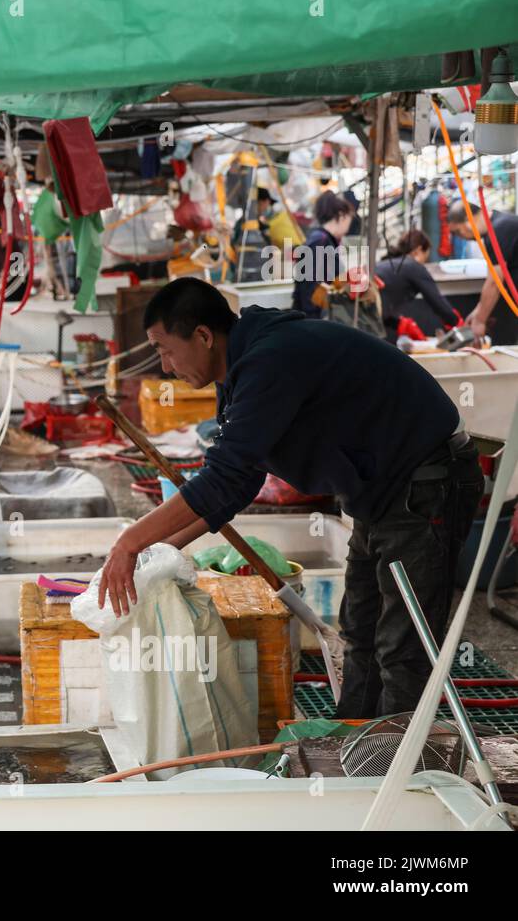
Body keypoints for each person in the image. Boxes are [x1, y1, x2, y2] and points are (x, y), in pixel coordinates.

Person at [93, 278, 482, 719]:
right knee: (360, 630)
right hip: (378, 491)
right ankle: (353, 742)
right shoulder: (238, 372)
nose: (165, 366)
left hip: (426, 481)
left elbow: (221, 478)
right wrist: (158, 554)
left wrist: (131, 543)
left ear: (203, 336)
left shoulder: (270, 359)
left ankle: (397, 769)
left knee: (402, 644)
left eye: (164, 349)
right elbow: (237, 486)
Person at [446, 200, 518, 345]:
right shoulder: (499, 224)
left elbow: (494, 283)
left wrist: (479, 321)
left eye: (458, 231)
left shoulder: (497, 231)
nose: (461, 237)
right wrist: (478, 311)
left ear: (468, 221)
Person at [375, 229, 461, 342]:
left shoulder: (385, 264)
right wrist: (457, 324)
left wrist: (400, 324)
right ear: (419, 250)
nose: (424, 263)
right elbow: (437, 302)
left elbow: (377, 308)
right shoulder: (413, 266)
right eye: (426, 256)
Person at [292, 190, 355, 319]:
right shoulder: (320, 241)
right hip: (313, 320)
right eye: (349, 219)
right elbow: (310, 289)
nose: (348, 226)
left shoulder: (324, 240)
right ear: (341, 215)